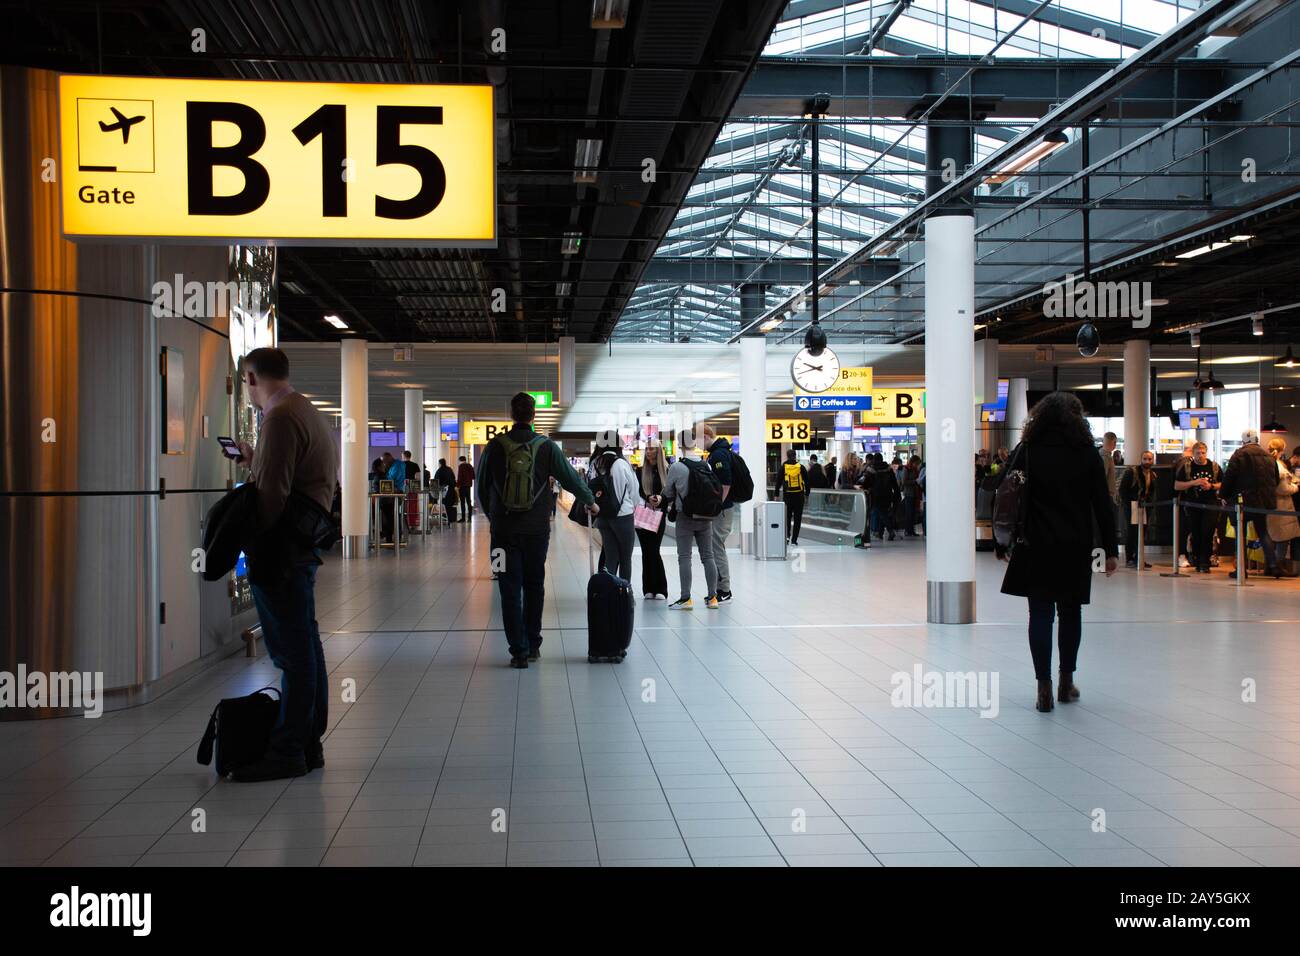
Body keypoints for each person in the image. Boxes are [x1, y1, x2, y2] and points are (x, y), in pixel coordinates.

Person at [230, 347, 337, 781]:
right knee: (306, 648)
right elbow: (291, 479)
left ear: (251, 378)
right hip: (302, 547)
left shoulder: (278, 416)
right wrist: (257, 459)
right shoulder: (303, 408)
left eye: (245, 382)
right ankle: (308, 742)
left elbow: (272, 498)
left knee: (293, 655)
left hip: (282, 552)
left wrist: (248, 539)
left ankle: (290, 748)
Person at [998, 392, 1118, 714]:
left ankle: (1043, 687)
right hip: (1075, 545)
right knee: (1070, 613)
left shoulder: (1027, 451)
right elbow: (1102, 505)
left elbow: (1005, 491)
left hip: (1034, 543)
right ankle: (1066, 681)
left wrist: (1003, 540)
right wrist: (1110, 549)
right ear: (1077, 420)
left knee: (1039, 615)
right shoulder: (1087, 454)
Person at [476, 392, 596, 667]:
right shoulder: (546, 446)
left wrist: (494, 517)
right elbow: (569, 479)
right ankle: (533, 644)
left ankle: (517, 651)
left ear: (511, 414)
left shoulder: (493, 446)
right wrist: (590, 501)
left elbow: (481, 489)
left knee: (508, 587)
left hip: (502, 534)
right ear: (534, 416)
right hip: (536, 531)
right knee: (534, 585)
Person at [654, 426, 719, 610]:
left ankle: (686, 599)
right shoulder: (706, 464)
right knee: (708, 556)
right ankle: (713, 598)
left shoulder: (677, 466)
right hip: (706, 518)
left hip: (686, 517)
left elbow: (668, 493)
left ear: (680, 444)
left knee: (685, 557)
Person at [1221, 429, 1282, 578]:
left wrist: (1223, 494)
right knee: (1263, 532)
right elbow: (1276, 479)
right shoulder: (1269, 456)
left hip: (1243, 501)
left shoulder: (1239, 455)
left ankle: (1241, 569)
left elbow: (1229, 477)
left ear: (1244, 441)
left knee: (1240, 534)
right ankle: (1273, 566)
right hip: (1263, 502)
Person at [592, 443, 639, 584]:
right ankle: (624, 595)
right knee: (625, 558)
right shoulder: (621, 463)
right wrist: (632, 506)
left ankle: (609, 594)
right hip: (622, 516)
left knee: (610, 557)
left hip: (603, 516)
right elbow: (634, 490)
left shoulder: (596, 463)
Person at [1173, 441, 1222, 573]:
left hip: (1211, 504)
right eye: (1198, 453)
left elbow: (1222, 484)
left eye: (1203, 453)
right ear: (1193, 454)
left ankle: (1205, 561)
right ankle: (1197, 559)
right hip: (1192, 505)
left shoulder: (1215, 467)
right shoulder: (1187, 467)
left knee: (1208, 532)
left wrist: (1211, 486)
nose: (1201, 456)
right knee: (1196, 533)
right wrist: (1194, 482)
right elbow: (1177, 485)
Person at [702, 424, 736, 603]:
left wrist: (717, 505)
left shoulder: (718, 455)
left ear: (706, 436)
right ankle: (720, 587)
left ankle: (725, 589)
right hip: (721, 509)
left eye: (699, 439)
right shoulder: (718, 453)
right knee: (716, 546)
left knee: (717, 546)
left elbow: (725, 483)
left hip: (722, 510)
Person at [634, 441, 670, 600]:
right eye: (647, 449)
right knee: (646, 552)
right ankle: (648, 588)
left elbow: (671, 492)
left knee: (654, 550)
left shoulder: (667, 471)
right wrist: (648, 497)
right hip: (643, 514)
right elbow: (638, 492)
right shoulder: (640, 471)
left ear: (659, 451)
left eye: (652, 449)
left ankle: (661, 588)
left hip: (659, 515)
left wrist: (661, 499)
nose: (648, 452)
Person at [1264, 437, 1300, 573]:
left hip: (1269, 505)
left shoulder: (1267, 463)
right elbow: (1283, 489)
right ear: (1282, 450)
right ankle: (1277, 566)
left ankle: (1270, 565)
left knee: (1272, 537)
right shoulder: (1279, 466)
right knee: (1282, 538)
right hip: (1282, 505)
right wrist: (1296, 487)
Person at [1119, 450, 1157, 568]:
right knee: (1132, 531)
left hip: (1144, 506)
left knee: (1142, 531)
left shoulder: (1152, 474)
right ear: (1141, 460)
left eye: (1149, 459)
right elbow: (1122, 490)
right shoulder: (1132, 472)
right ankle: (1130, 558)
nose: (1147, 461)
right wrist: (1130, 503)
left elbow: (1151, 491)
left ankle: (1139, 557)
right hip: (1132, 506)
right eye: (1145, 459)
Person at [778, 449, 809, 547]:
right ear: (795, 456)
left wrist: (776, 494)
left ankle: (787, 537)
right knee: (797, 518)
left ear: (787, 456)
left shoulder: (783, 467)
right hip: (799, 496)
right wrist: (807, 494)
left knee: (787, 517)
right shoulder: (801, 467)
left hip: (787, 495)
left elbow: (778, 481)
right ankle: (794, 540)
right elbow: (807, 482)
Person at [869, 453, 899, 541]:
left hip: (876, 495)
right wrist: (897, 494)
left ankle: (890, 530)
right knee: (883, 512)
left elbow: (867, 482)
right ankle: (880, 533)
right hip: (888, 495)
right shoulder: (889, 469)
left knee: (882, 513)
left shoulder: (872, 469)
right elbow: (894, 483)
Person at [1100, 432, 1121, 550]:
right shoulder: (1105, 457)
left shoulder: (1106, 456)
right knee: (1107, 526)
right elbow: (1102, 479)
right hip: (1107, 497)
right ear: (1113, 442)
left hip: (1107, 496)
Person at [900, 455, 922, 537]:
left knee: (912, 513)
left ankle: (911, 530)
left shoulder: (914, 469)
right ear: (913, 462)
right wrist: (915, 481)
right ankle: (908, 530)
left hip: (914, 493)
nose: (917, 465)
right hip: (909, 493)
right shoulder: (906, 469)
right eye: (916, 463)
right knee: (909, 513)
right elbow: (904, 481)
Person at [434, 458, 458, 524]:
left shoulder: (439, 470)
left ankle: (445, 519)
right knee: (450, 504)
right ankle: (452, 519)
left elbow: (436, 480)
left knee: (444, 504)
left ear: (440, 463)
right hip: (451, 489)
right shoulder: (449, 469)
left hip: (444, 490)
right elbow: (453, 478)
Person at [456, 455, 475, 521]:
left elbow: (459, 477)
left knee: (462, 502)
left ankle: (463, 518)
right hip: (468, 486)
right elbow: (473, 476)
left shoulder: (461, 466)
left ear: (460, 460)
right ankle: (469, 518)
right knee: (469, 502)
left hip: (462, 486)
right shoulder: (470, 466)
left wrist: (457, 485)